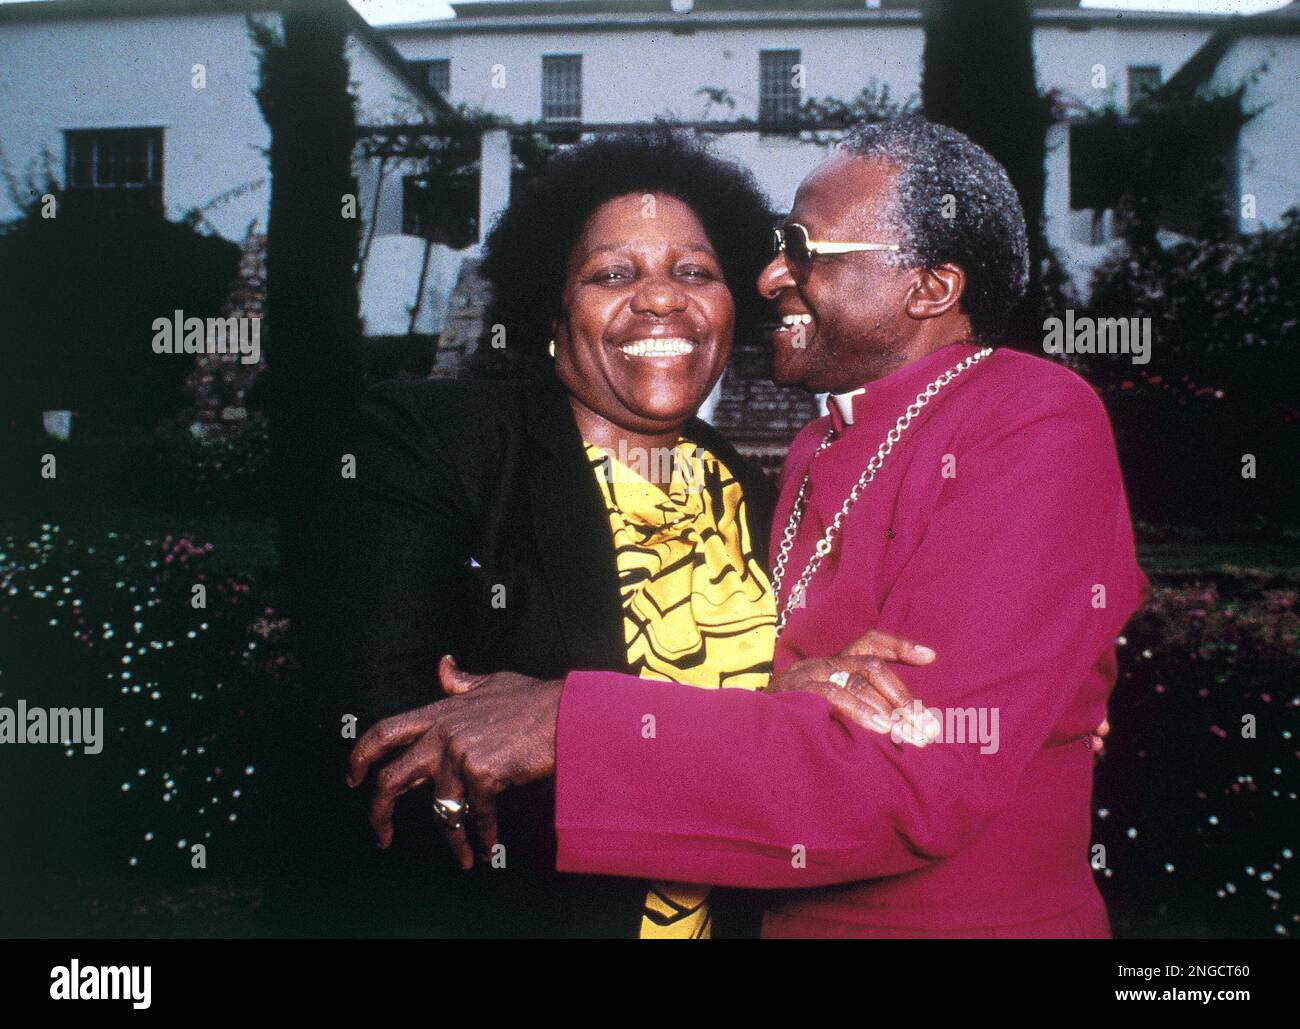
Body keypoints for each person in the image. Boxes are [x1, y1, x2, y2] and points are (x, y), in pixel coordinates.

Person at [349, 118, 1145, 938]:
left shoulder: (1031, 417)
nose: (770, 276)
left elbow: (913, 772)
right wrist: (784, 699)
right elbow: (401, 740)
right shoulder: (804, 456)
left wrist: (565, 720)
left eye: (801, 249)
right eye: (612, 272)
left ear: (930, 288)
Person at [292, 129, 936, 939]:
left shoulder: (750, 487)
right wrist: (748, 726)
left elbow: (843, 687)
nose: (661, 298)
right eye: (613, 273)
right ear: (553, 308)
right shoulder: (434, 443)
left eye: (695, 271)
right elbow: (388, 748)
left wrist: (1056, 699)